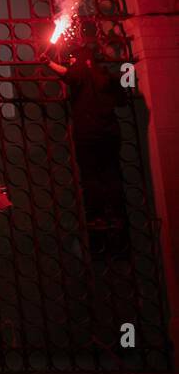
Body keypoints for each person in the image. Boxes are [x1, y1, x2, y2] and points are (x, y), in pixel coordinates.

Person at [45, 42, 131, 245]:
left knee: (91, 175)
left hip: (88, 134)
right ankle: (117, 216)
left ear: (83, 60)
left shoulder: (81, 72)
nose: (72, 62)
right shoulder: (106, 75)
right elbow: (122, 100)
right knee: (112, 172)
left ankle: (97, 217)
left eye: (74, 59)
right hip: (110, 133)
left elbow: (68, 74)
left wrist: (47, 62)